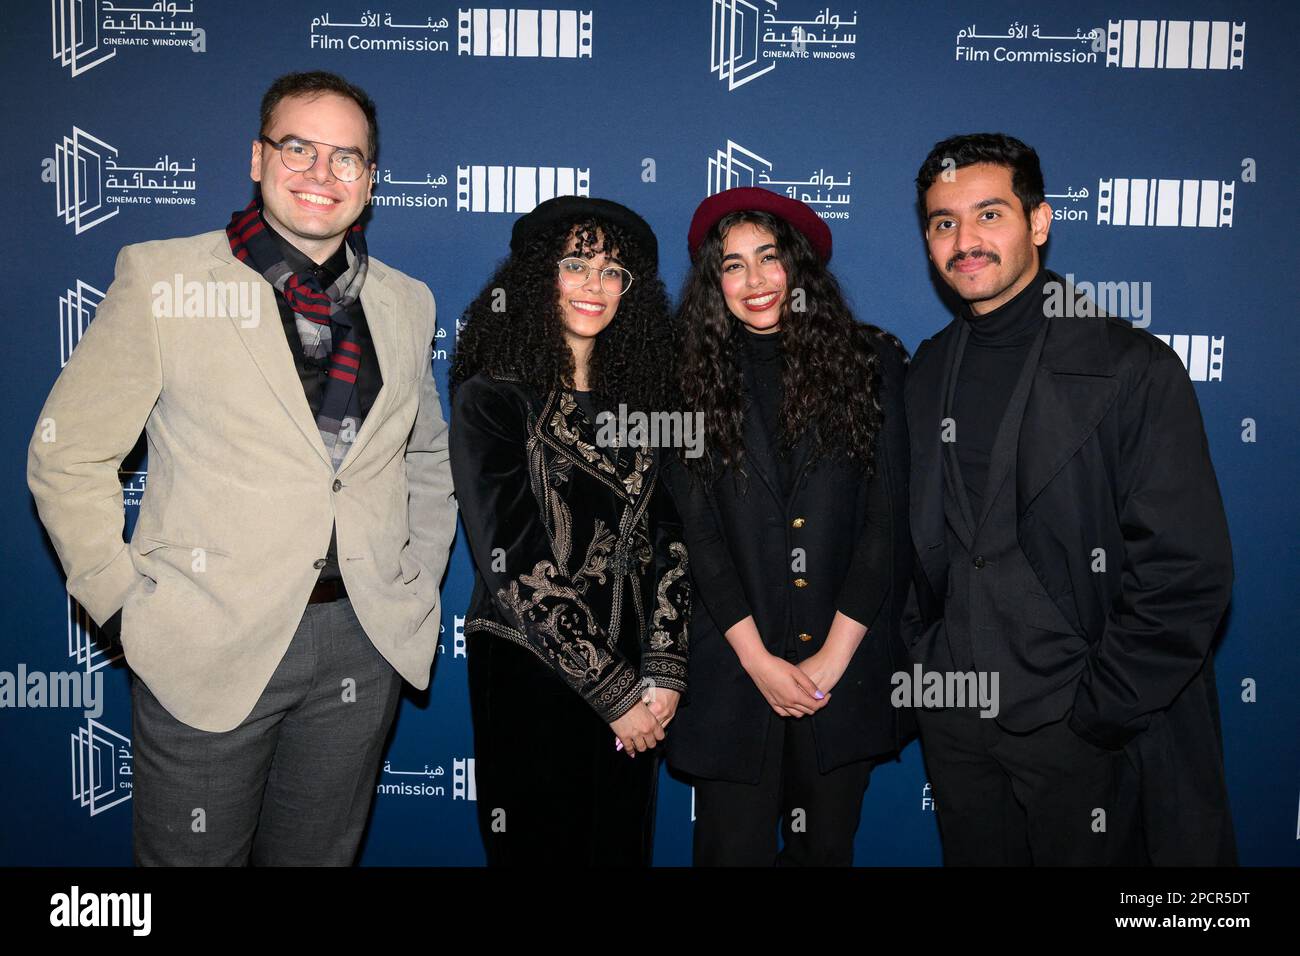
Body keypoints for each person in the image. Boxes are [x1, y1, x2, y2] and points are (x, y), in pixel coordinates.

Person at [26, 71, 457, 865]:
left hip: (363, 642)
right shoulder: (165, 279)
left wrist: (415, 578)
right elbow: (68, 451)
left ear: (370, 179)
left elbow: (427, 456)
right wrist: (122, 609)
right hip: (205, 643)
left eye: (346, 158)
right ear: (258, 158)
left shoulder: (406, 302)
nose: (321, 173)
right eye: (298, 148)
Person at [905, 132, 1235, 865]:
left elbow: (1187, 568)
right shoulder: (924, 371)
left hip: (1079, 725)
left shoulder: (1130, 366)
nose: (965, 241)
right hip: (957, 724)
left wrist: (1100, 709)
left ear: (1039, 222)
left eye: (990, 214)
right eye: (944, 222)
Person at [661, 187, 914, 866]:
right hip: (732, 678)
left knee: (823, 852)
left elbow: (887, 524)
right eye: (733, 265)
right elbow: (698, 534)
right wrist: (758, 662)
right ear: (714, 282)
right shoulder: (684, 378)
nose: (754, 280)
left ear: (798, 265)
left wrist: (830, 660)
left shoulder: (872, 362)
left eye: (768, 257)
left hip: (845, 677)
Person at [449, 195, 690, 866]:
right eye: (576, 264)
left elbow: (671, 535)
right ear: (538, 276)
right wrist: (614, 695)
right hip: (529, 671)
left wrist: (665, 671)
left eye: (613, 271)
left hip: (639, 677)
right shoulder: (492, 396)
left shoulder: (646, 402)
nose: (595, 284)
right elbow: (515, 561)